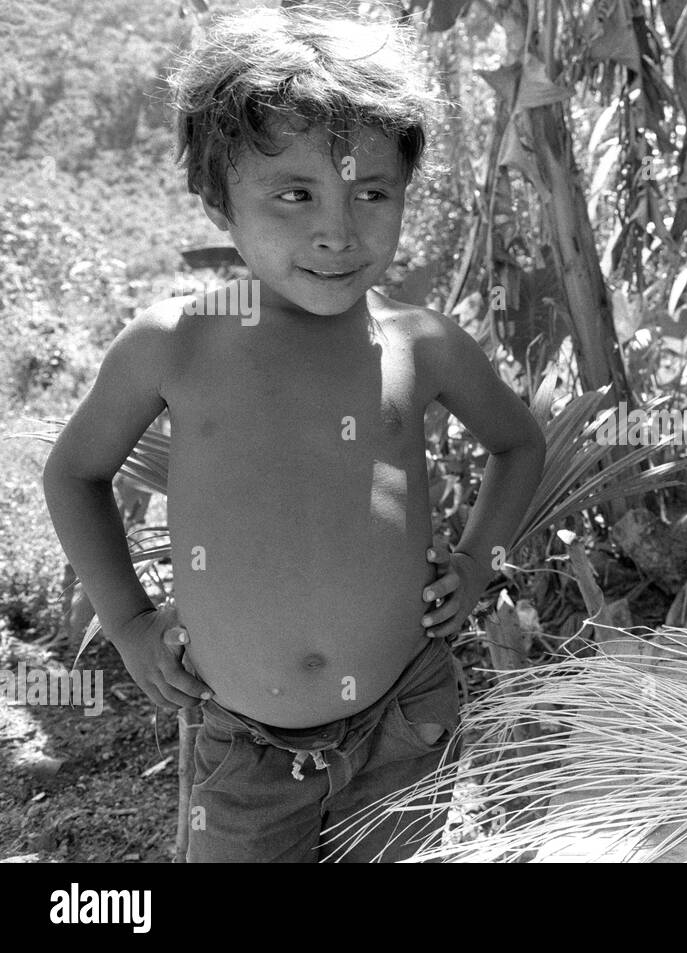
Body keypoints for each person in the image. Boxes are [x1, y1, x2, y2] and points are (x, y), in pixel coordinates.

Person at [41, 6, 547, 862]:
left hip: (404, 717)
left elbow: (518, 443)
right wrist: (127, 622)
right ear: (217, 200)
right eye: (295, 193)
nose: (338, 232)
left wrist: (473, 560)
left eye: (370, 192)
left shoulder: (419, 342)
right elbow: (75, 474)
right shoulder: (177, 343)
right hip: (242, 744)